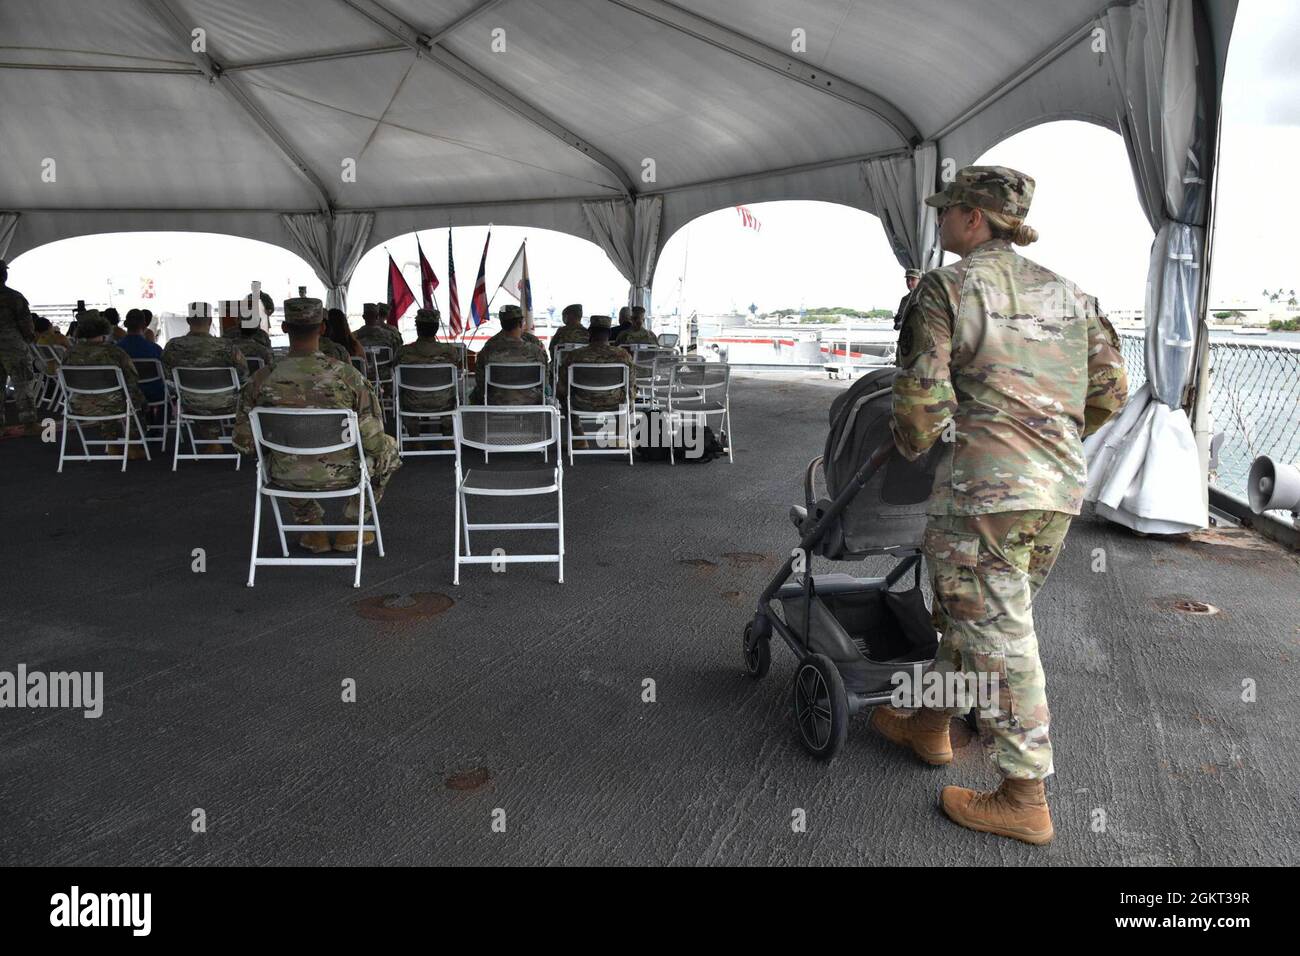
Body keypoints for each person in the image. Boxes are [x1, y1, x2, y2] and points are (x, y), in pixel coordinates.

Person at [873, 165, 1128, 846]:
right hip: (1056, 490)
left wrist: (913, 449)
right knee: (979, 622)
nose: (938, 222)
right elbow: (1110, 392)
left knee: (999, 635)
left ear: (973, 219)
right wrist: (1047, 440)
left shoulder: (947, 288)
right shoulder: (1072, 294)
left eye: (946, 211)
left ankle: (1024, 796)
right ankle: (929, 724)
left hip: (984, 489)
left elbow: (923, 404)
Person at [232, 297, 401, 554]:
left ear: (285, 328)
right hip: (345, 473)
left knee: (280, 454)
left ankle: (313, 527)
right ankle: (351, 526)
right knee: (388, 447)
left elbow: (244, 443)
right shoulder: (348, 377)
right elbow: (373, 441)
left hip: (285, 475)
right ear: (323, 328)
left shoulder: (260, 380)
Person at [163, 301, 249, 452]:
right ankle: (244, 442)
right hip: (227, 402)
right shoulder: (226, 346)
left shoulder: (173, 346)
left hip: (190, 402)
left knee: (199, 394)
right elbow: (243, 373)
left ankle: (212, 442)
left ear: (188, 320)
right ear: (210, 321)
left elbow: (167, 375)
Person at [61, 309, 146, 456]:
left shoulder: (70, 354)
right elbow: (132, 380)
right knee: (134, 400)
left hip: (78, 406)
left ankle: (111, 443)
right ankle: (133, 445)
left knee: (106, 394)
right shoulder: (115, 352)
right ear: (104, 329)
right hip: (112, 405)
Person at [557, 314, 634, 442]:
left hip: (581, 403)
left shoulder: (574, 356)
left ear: (590, 333)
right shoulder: (623, 356)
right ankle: (619, 438)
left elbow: (562, 387)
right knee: (629, 392)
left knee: (563, 394)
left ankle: (579, 437)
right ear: (609, 334)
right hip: (615, 403)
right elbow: (631, 383)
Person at [396, 308, 460, 435]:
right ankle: (447, 437)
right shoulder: (449, 351)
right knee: (453, 396)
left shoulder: (403, 352)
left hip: (413, 404)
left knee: (403, 394)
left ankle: (414, 438)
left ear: (418, 328)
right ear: (436, 328)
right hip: (443, 402)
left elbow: (394, 369)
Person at [471, 305, 547, 404]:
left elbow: (481, 382)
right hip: (530, 401)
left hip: (496, 401)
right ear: (521, 323)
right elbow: (545, 381)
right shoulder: (536, 349)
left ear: (502, 323)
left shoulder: (488, 349)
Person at [0, 258, 39, 438]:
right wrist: (28, 339)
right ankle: (29, 423)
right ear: (4, 274)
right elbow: (26, 325)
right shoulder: (14, 297)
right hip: (13, 345)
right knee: (22, 382)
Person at [116, 309, 166, 407]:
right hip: (154, 393)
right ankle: (161, 421)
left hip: (127, 394)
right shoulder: (155, 349)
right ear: (144, 325)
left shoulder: (116, 349)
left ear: (125, 324)